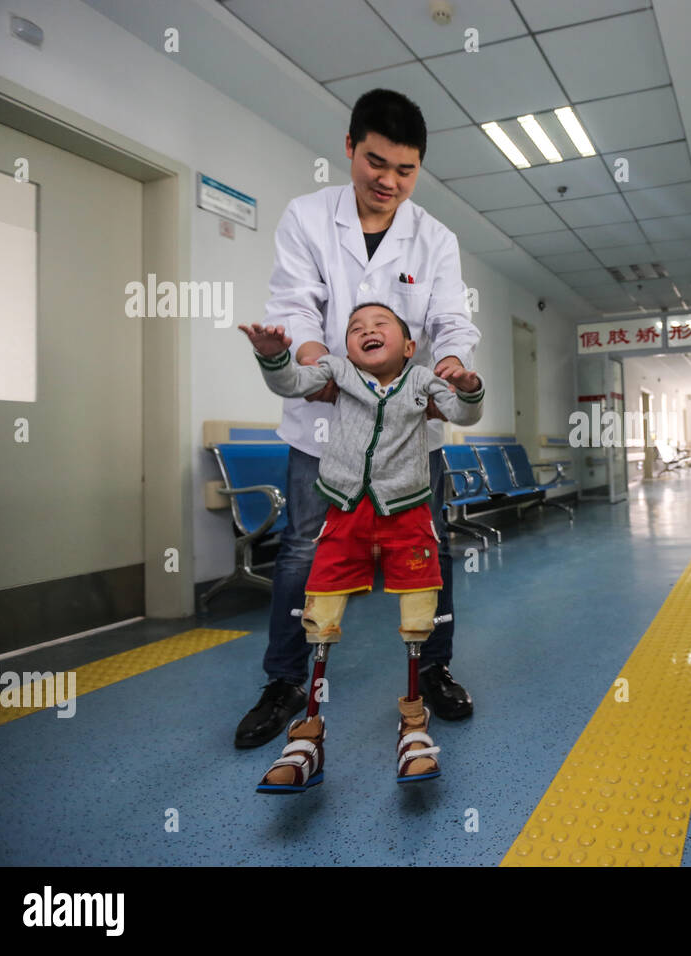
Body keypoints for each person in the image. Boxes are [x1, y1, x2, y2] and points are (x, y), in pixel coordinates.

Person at [234, 89, 481, 751]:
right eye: (376, 162)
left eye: (406, 170)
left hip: (408, 430)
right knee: (302, 552)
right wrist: (318, 368)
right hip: (322, 429)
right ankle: (285, 682)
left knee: (434, 550)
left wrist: (453, 364)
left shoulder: (435, 238)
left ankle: (433, 670)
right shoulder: (308, 217)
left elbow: (451, 320)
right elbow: (294, 305)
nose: (389, 181)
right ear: (349, 147)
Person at [239, 307, 483, 790]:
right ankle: (306, 732)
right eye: (355, 329)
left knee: (418, 610)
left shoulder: (419, 381)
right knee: (322, 612)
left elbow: (462, 413)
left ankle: (414, 722)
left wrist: (469, 387)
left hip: (407, 513)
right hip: (345, 511)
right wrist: (274, 356)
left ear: (410, 347)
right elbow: (292, 382)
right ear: (346, 347)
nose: (367, 330)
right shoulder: (336, 370)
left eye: (380, 325)